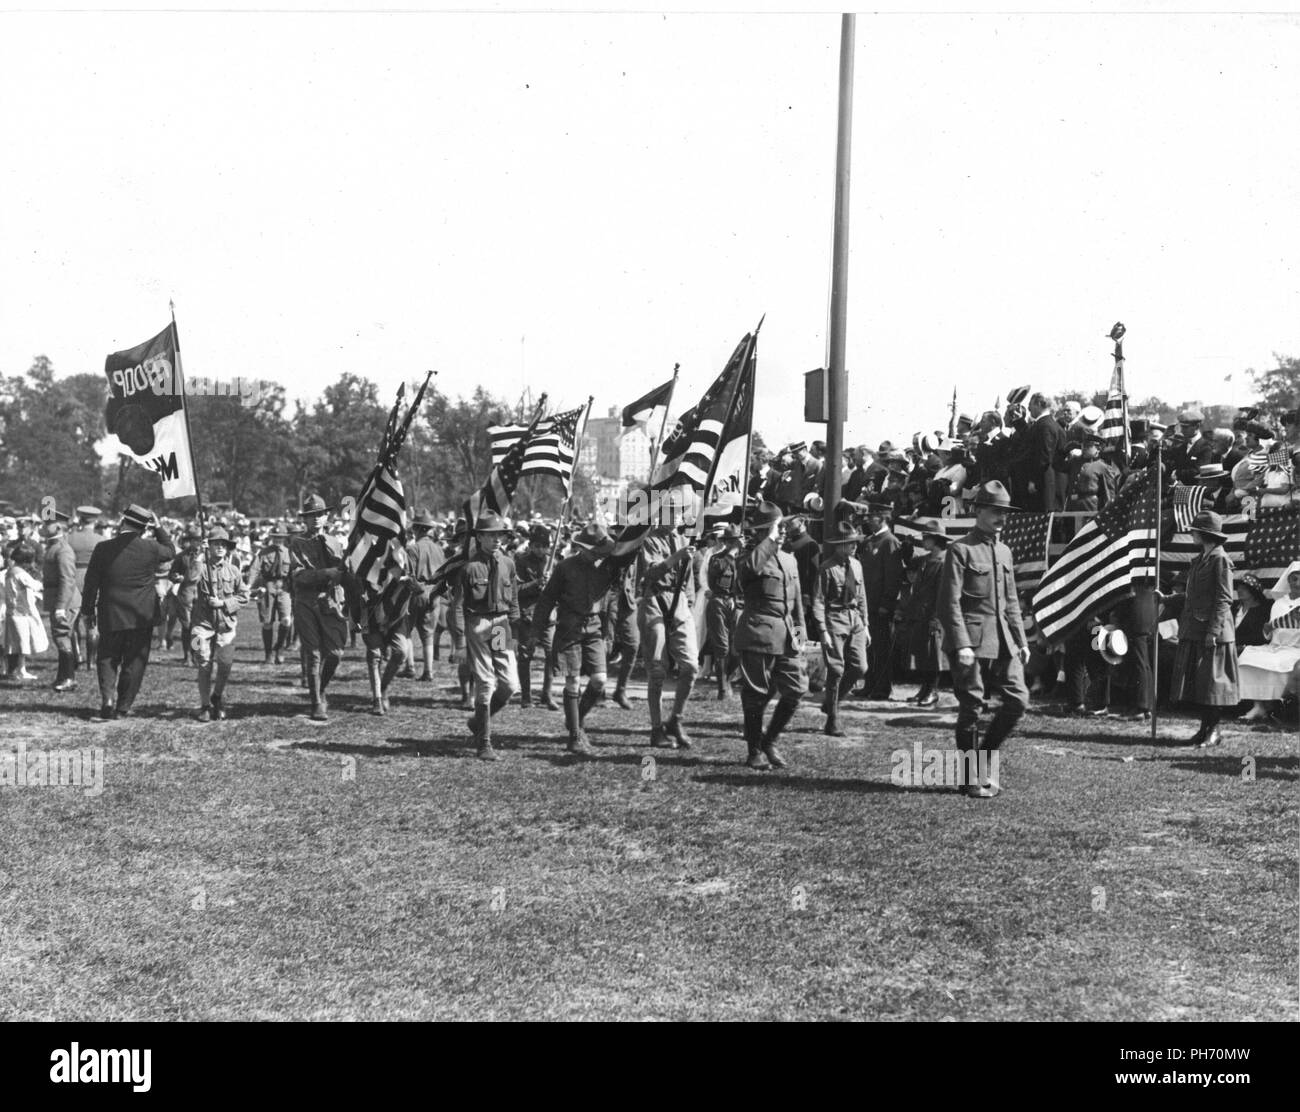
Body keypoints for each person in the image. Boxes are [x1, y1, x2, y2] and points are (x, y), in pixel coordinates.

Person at [936, 481, 1031, 798]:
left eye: (1004, 511)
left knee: (1018, 701)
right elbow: (948, 603)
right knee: (972, 706)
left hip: (1003, 640)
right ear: (978, 511)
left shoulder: (1004, 550)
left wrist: (1021, 640)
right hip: (972, 642)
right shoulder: (960, 549)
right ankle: (968, 779)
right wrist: (961, 643)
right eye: (994, 511)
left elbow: (1012, 601)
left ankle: (982, 761)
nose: (1000, 517)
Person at [529, 523, 637, 757]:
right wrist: (536, 630)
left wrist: (609, 633)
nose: (600, 554)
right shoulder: (565, 568)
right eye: (596, 551)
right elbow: (547, 598)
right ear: (583, 549)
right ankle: (575, 737)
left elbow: (610, 601)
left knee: (599, 681)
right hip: (569, 629)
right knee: (572, 682)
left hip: (594, 629)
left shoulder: (606, 568)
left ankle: (575, 719)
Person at [81, 504, 176, 720]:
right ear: (145, 528)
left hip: (110, 612)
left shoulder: (103, 548)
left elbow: (90, 583)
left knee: (107, 657)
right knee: (134, 662)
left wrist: (88, 610)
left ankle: (107, 700)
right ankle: (123, 707)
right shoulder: (151, 547)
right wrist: (159, 528)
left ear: (123, 522)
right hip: (141, 614)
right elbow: (170, 551)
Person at [734, 500, 808, 770]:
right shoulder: (749, 556)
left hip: (786, 632)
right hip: (758, 632)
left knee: (796, 690)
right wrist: (771, 538)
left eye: (785, 526)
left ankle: (769, 740)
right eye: (779, 526)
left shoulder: (789, 559)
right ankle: (754, 751)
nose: (785, 531)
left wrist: (800, 637)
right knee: (754, 694)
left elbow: (797, 603)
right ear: (766, 529)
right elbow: (748, 571)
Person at [1166, 511, 1239, 747]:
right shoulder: (1200, 559)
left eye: (1195, 530)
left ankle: (1214, 731)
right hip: (1196, 629)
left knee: (1213, 684)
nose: (1191, 533)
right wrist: (1169, 599)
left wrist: (1213, 632)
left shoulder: (1220, 559)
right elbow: (1196, 595)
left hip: (1213, 632)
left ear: (1205, 533)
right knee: (1202, 684)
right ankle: (1204, 729)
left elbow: (1223, 598)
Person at [636, 493, 700, 749]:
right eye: (670, 510)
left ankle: (676, 719)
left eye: (678, 510)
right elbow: (650, 572)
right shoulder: (649, 540)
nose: (675, 515)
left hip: (679, 603)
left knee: (691, 666)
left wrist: (689, 606)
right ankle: (656, 728)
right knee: (658, 670)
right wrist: (676, 558)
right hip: (655, 601)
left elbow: (690, 582)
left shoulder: (684, 539)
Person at [460, 510, 520, 760]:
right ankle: (484, 743)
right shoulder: (470, 567)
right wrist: (457, 641)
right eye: (491, 535)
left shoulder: (507, 563)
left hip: (500, 625)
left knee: (509, 685)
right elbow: (456, 604)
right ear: (479, 538)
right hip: (478, 622)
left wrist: (516, 626)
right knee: (486, 683)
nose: (497, 540)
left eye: (500, 535)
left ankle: (477, 722)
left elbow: (513, 595)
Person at [287, 494, 349, 723]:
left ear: (326, 517)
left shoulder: (334, 542)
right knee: (312, 654)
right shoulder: (297, 543)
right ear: (305, 519)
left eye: (319, 515)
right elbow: (298, 576)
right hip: (306, 601)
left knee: (335, 653)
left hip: (330, 601)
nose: (315, 519)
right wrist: (325, 574)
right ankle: (316, 702)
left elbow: (342, 571)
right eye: (310, 516)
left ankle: (320, 688)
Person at [811, 519, 868, 737]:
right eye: (849, 543)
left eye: (855, 542)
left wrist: (866, 624)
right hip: (834, 618)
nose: (854, 546)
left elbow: (862, 597)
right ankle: (832, 720)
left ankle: (831, 701)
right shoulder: (827, 568)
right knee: (836, 670)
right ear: (838, 545)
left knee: (860, 667)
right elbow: (818, 600)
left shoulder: (857, 565)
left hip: (855, 620)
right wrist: (823, 631)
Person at [190, 528, 250, 721]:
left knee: (225, 663)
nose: (220, 548)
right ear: (209, 547)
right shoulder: (199, 566)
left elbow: (244, 596)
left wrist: (223, 603)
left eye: (223, 545)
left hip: (226, 625)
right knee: (202, 661)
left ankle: (217, 696)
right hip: (201, 624)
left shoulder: (233, 570)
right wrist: (200, 556)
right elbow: (190, 580)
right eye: (216, 544)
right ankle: (205, 705)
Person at [1236, 563, 1300, 722]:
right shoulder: (1278, 603)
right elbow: (1270, 635)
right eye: (1294, 579)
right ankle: (1259, 706)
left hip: (1296, 648)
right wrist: (1267, 629)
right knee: (1247, 657)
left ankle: (1274, 706)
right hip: (1276, 646)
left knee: (1281, 662)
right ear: (1288, 581)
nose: (1297, 583)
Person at [897, 518, 948, 707]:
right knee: (923, 655)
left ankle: (933, 691)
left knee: (934, 656)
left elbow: (944, 593)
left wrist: (936, 617)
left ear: (935, 539)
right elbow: (909, 563)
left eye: (926, 537)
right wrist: (907, 548)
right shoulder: (926, 560)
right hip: (919, 613)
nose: (923, 541)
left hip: (934, 614)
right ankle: (924, 690)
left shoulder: (945, 561)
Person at [856, 502, 903, 700]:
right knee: (869, 647)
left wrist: (887, 603)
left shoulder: (890, 541)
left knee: (882, 648)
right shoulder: (869, 541)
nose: (868, 520)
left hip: (880, 606)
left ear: (882, 518)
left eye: (872, 516)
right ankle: (870, 684)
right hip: (867, 605)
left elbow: (893, 576)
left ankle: (882, 688)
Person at [513, 523, 556, 708]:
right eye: (536, 546)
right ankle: (526, 696)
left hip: (548, 617)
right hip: (528, 616)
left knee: (551, 655)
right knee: (525, 657)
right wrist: (536, 584)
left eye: (544, 546)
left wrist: (551, 588)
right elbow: (516, 589)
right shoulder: (520, 562)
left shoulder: (553, 563)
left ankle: (547, 694)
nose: (540, 550)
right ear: (530, 545)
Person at [406, 509, 447, 683]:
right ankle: (428, 671)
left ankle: (409, 667)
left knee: (406, 630)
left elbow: (410, 575)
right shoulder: (439, 549)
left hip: (418, 592)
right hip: (435, 593)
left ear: (416, 529)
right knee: (428, 635)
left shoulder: (413, 549)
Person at [704, 523, 744, 700]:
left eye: (736, 541)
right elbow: (716, 572)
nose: (735, 544)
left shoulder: (745, 559)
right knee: (722, 648)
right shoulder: (717, 558)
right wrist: (731, 554)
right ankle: (722, 689)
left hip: (738, 604)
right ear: (726, 542)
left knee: (738, 647)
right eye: (732, 541)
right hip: (719, 602)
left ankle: (727, 678)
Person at [41, 517, 81, 692]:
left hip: (65, 600)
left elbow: (67, 580)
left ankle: (69, 679)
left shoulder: (62, 550)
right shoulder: (54, 547)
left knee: (62, 636)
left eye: (47, 524)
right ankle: (62, 676)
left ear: (58, 527)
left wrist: (61, 606)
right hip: (58, 598)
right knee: (61, 637)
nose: (43, 527)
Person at [250, 528, 293, 665]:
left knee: (286, 620)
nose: (277, 540)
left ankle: (279, 649)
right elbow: (254, 569)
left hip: (284, 588)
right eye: (275, 537)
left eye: (280, 537)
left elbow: (296, 570)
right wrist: (249, 586)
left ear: (284, 538)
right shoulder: (264, 553)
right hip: (267, 587)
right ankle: (268, 653)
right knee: (267, 622)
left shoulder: (289, 553)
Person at [4, 545, 46, 681]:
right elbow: (35, 586)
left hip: (12, 612)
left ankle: (15, 670)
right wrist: (43, 582)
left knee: (14, 643)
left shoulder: (10, 571)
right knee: (22, 643)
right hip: (20, 613)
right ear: (26, 560)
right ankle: (21, 670)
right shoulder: (21, 573)